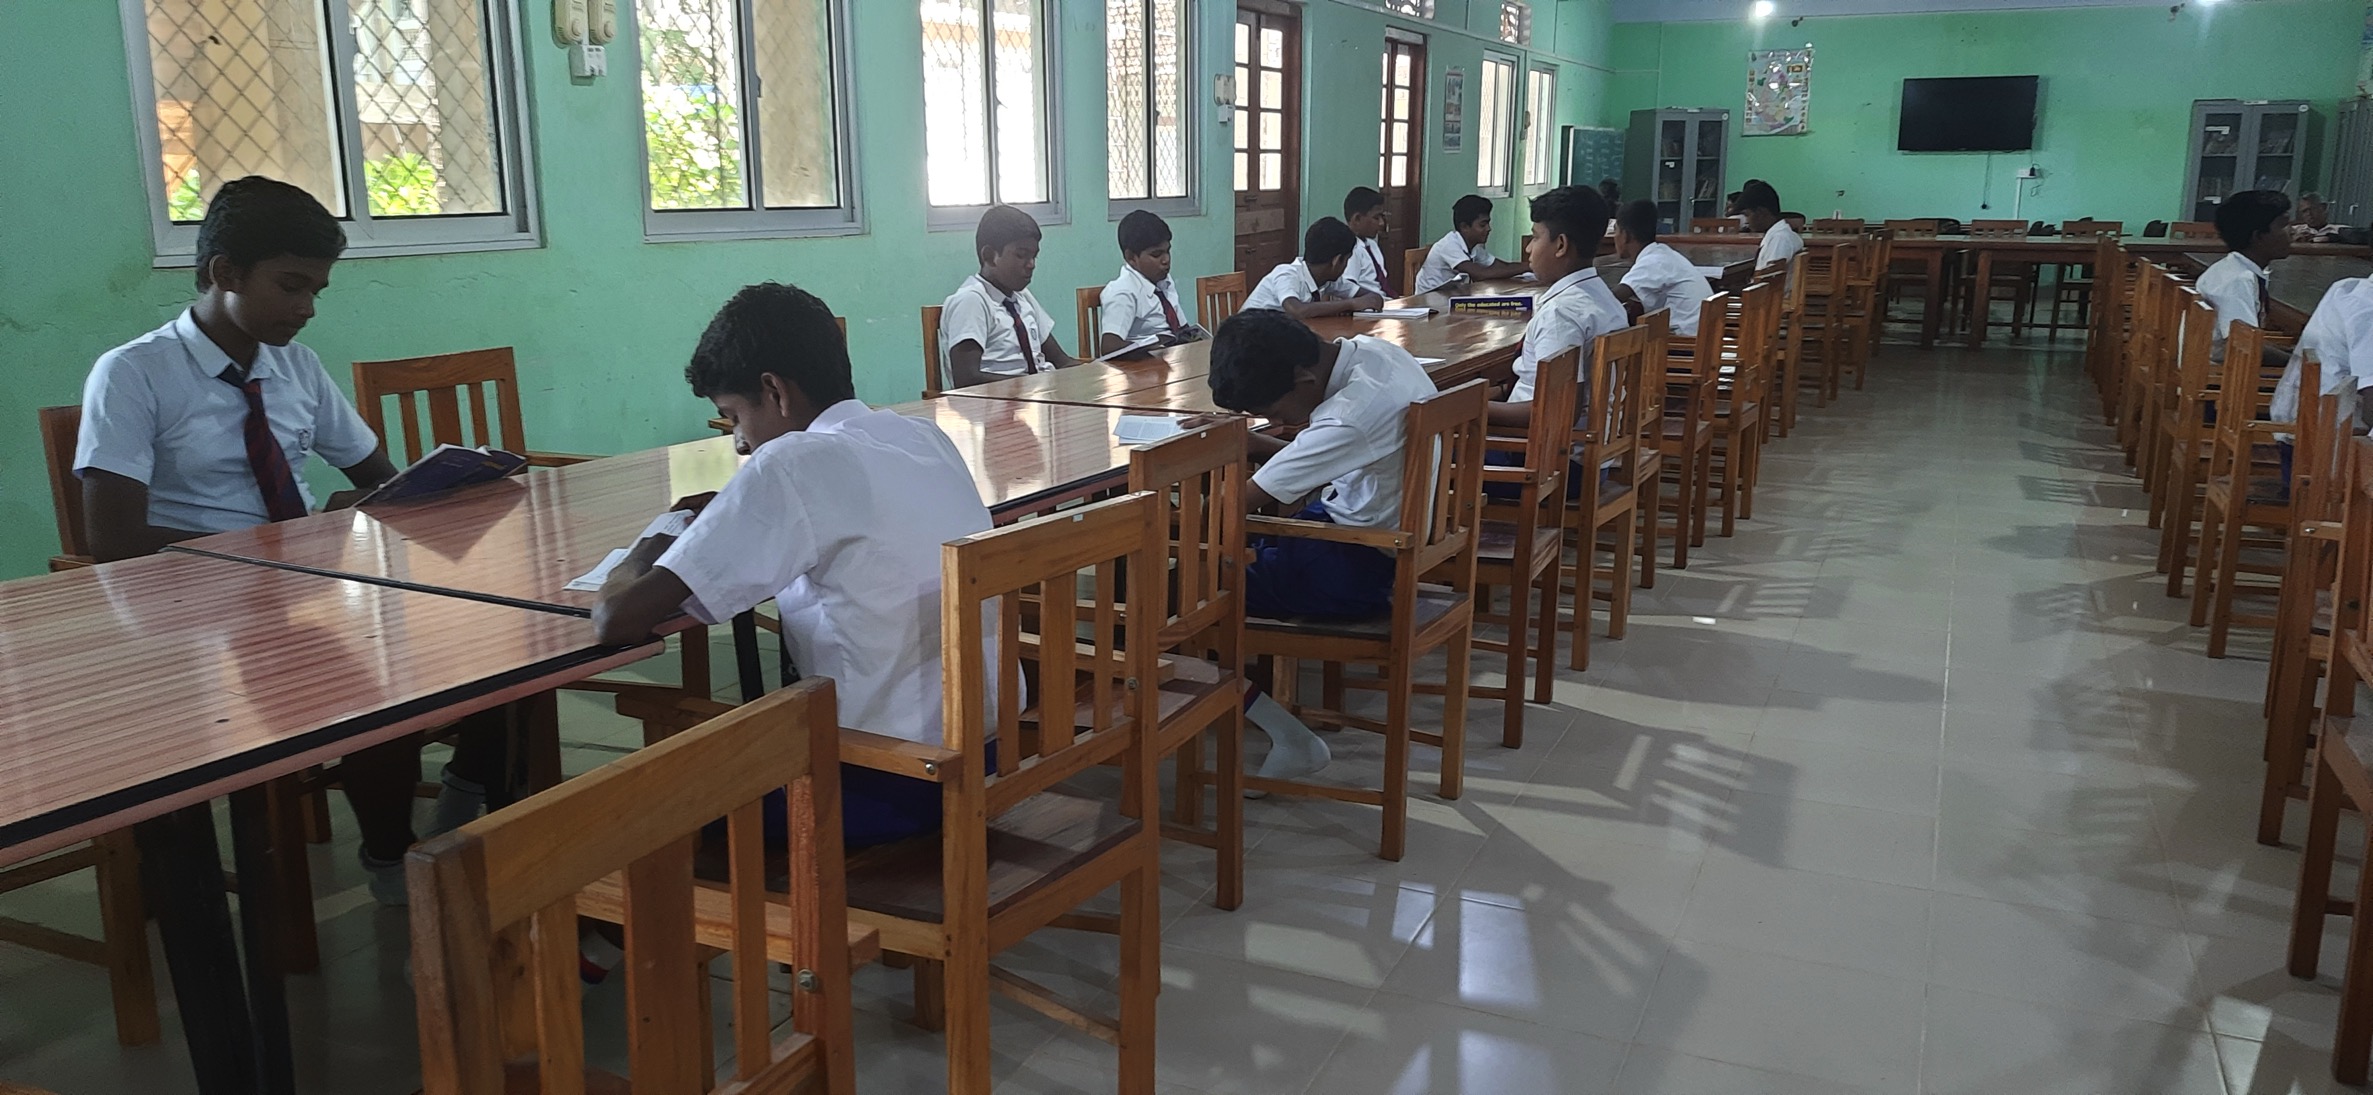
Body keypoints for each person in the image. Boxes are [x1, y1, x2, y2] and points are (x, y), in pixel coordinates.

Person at [73, 176, 499, 905]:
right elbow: (112, 538)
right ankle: (394, 865)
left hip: (300, 586)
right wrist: (274, 551)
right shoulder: (135, 373)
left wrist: (412, 492)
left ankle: (462, 809)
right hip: (192, 613)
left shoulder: (294, 366)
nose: (305, 308)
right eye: (291, 286)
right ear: (224, 274)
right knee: (383, 699)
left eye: (317, 292)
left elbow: (377, 475)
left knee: (502, 646)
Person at [593, 282, 999, 848]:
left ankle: (665, 927)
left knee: (608, 819)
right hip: (981, 758)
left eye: (733, 416)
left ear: (774, 391)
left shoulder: (792, 461)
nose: (738, 442)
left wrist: (660, 533)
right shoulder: (924, 436)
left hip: (877, 782)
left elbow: (615, 618)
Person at [1201, 308, 1436, 780]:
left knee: (1187, 593)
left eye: (1271, 412)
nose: (1272, 421)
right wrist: (1259, 445)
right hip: (1374, 540)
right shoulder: (1377, 354)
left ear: (1303, 378)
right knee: (1226, 558)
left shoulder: (1348, 417)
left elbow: (1230, 510)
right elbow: (1336, 447)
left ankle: (1288, 736)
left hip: (1353, 566)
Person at [1488, 186, 1629, 432]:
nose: (1529, 249)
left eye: (1535, 237)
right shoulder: (1604, 298)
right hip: (1591, 453)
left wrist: (1473, 407)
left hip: (1547, 458)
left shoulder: (1561, 313)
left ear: (1561, 245)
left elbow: (1559, 410)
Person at [941, 204, 1075, 388]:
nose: (1031, 265)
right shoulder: (972, 300)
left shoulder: (1022, 297)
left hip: (1038, 398)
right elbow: (967, 379)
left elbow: (1061, 360)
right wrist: (1031, 386)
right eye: (1021, 255)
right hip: (996, 407)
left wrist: (1099, 371)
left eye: (1034, 256)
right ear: (989, 256)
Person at [2196, 189, 2292, 364]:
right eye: (2282, 225)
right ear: (2258, 236)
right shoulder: (2238, 280)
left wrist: (2289, 352)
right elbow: (2244, 344)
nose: (2290, 232)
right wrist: (2296, 362)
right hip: (2217, 377)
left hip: (2214, 368)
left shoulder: (2233, 269)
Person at [1098, 210, 1203, 360]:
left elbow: (1181, 327)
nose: (1166, 260)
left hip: (1174, 360)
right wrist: (1153, 346)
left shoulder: (1163, 281)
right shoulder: (1123, 291)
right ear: (1131, 258)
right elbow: (1110, 346)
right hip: (1146, 371)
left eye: (1168, 251)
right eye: (1156, 255)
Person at [1242, 217, 1384, 319]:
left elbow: (1372, 297)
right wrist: (1352, 304)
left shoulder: (1329, 281)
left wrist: (1371, 300)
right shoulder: (1287, 274)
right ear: (1336, 261)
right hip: (1245, 341)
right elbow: (1297, 310)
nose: (1346, 265)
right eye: (1346, 260)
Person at [1612, 198, 1712, 337]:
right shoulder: (1663, 254)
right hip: (1701, 338)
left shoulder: (1653, 261)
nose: (1614, 237)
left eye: (1615, 230)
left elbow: (1612, 299)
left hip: (1686, 345)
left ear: (1626, 235)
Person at [1415, 194, 1532, 293]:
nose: (1489, 229)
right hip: (1428, 303)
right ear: (1464, 227)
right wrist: (1529, 266)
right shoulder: (1449, 245)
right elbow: (1480, 274)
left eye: (1488, 224)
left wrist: (1529, 267)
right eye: (1482, 225)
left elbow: (1498, 266)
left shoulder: (1474, 247)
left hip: (1449, 298)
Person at [1341, 187, 1395, 298]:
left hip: (1385, 303)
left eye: (1382, 217)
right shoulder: (1350, 249)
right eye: (1376, 217)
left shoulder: (1372, 245)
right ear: (1357, 219)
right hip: (1368, 308)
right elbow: (1347, 288)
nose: (1381, 223)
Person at [1739, 180, 1801, 269]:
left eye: (1747, 215)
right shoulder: (1779, 234)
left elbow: (1771, 279)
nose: (1746, 221)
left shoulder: (1779, 239)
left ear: (1761, 212)